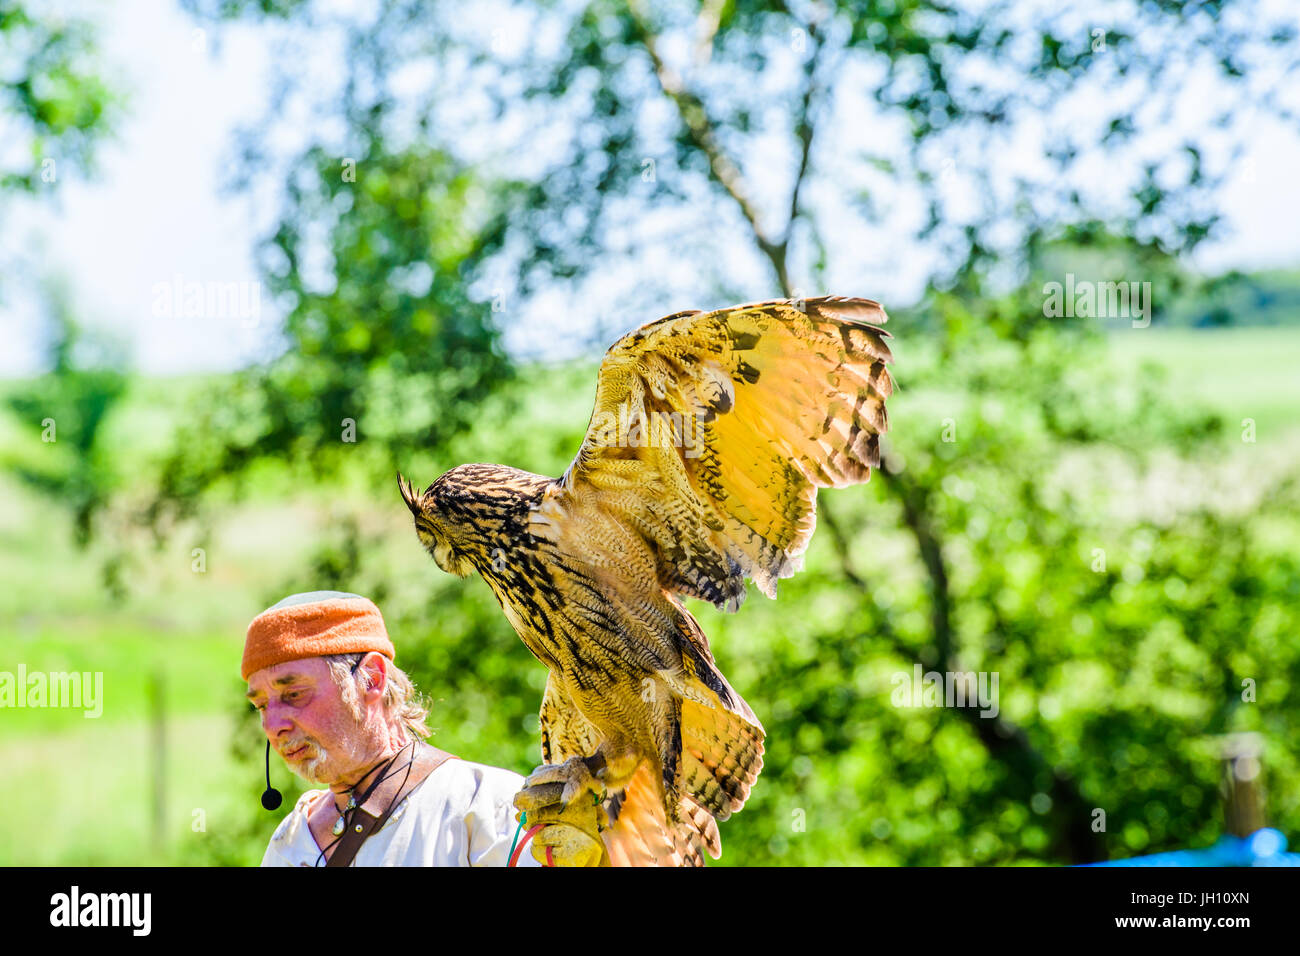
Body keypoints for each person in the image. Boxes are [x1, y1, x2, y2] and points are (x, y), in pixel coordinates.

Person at [242, 590, 604, 866]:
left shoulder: (488, 805)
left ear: (371, 679)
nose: (273, 725)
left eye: (293, 694)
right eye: (260, 704)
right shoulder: (291, 840)